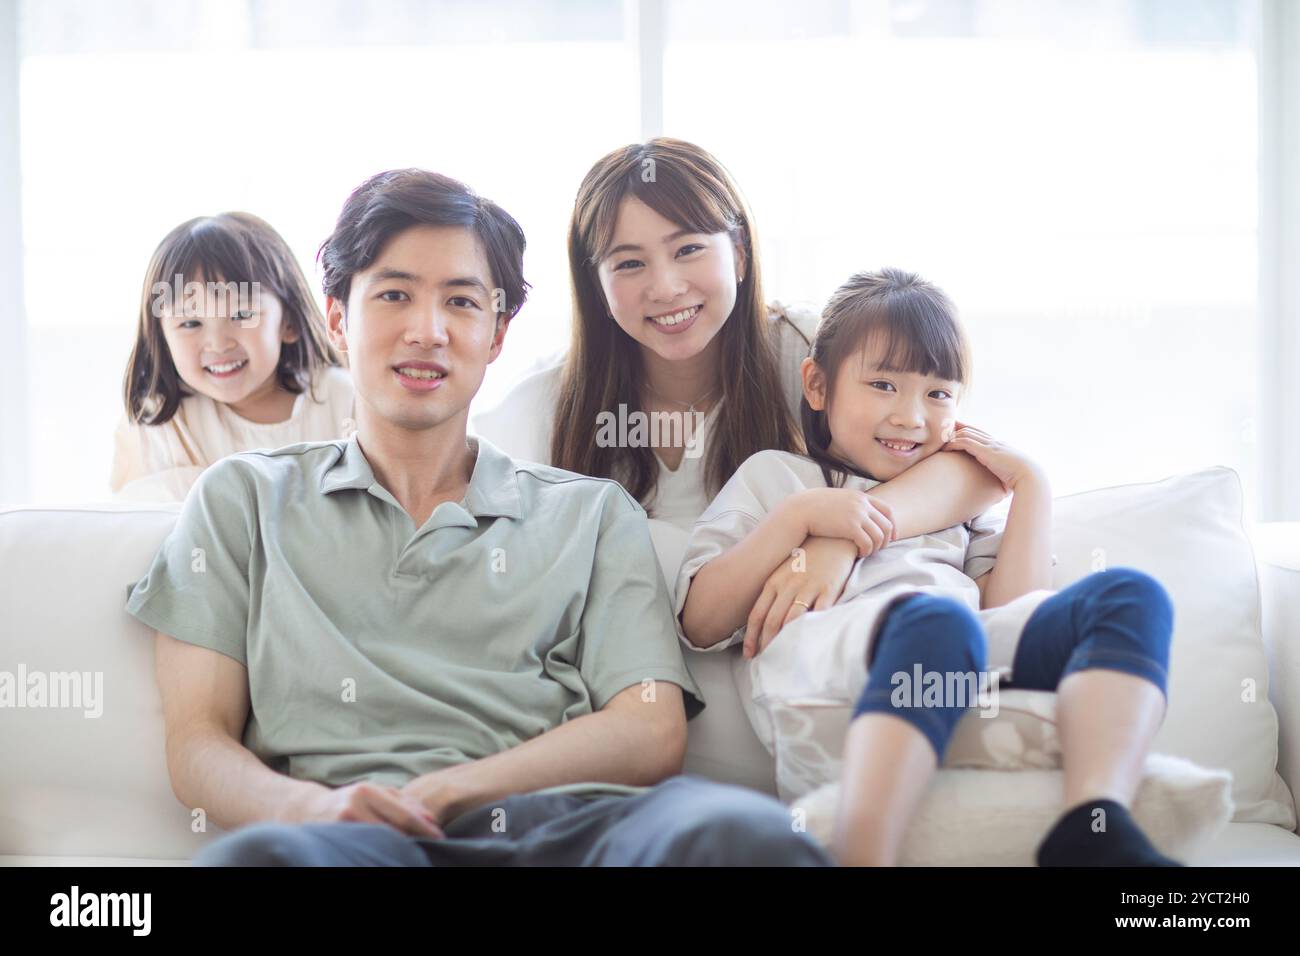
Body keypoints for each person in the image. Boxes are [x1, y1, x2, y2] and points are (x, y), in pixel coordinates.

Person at [124, 168, 830, 867]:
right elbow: (197, 743)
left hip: (565, 828)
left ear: (496, 335)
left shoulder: (588, 512)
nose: (427, 331)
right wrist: (312, 809)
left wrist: (453, 789)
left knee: (742, 833)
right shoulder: (240, 499)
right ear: (339, 318)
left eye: (462, 303)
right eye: (395, 295)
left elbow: (649, 728)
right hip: (344, 834)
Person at [471, 141, 1009, 778]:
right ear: (596, 283)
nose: (666, 286)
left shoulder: (804, 350)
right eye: (628, 262)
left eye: (689, 248)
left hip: (830, 659)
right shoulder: (545, 406)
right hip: (664, 705)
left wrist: (846, 535)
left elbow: (974, 464)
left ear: (742, 253)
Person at [676, 267, 1178, 867]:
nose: (912, 416)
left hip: (960, 666)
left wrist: (1030, 485)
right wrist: (798, 519)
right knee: (936, 620)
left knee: (1129, 594)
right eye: (883, 384)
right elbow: (700, 620)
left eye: (938, 393)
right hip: (835, 679)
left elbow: (1013, 612)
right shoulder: (778, 478)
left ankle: (1097, 824)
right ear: (817, 385)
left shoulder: (962, 505)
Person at [112, 212, 353, 501]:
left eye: (241, 315)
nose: (218, 343)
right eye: (190, 323)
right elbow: (146, 529)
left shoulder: (342, 400)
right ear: (162, 338)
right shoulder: (159, 423)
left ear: (287, 322)